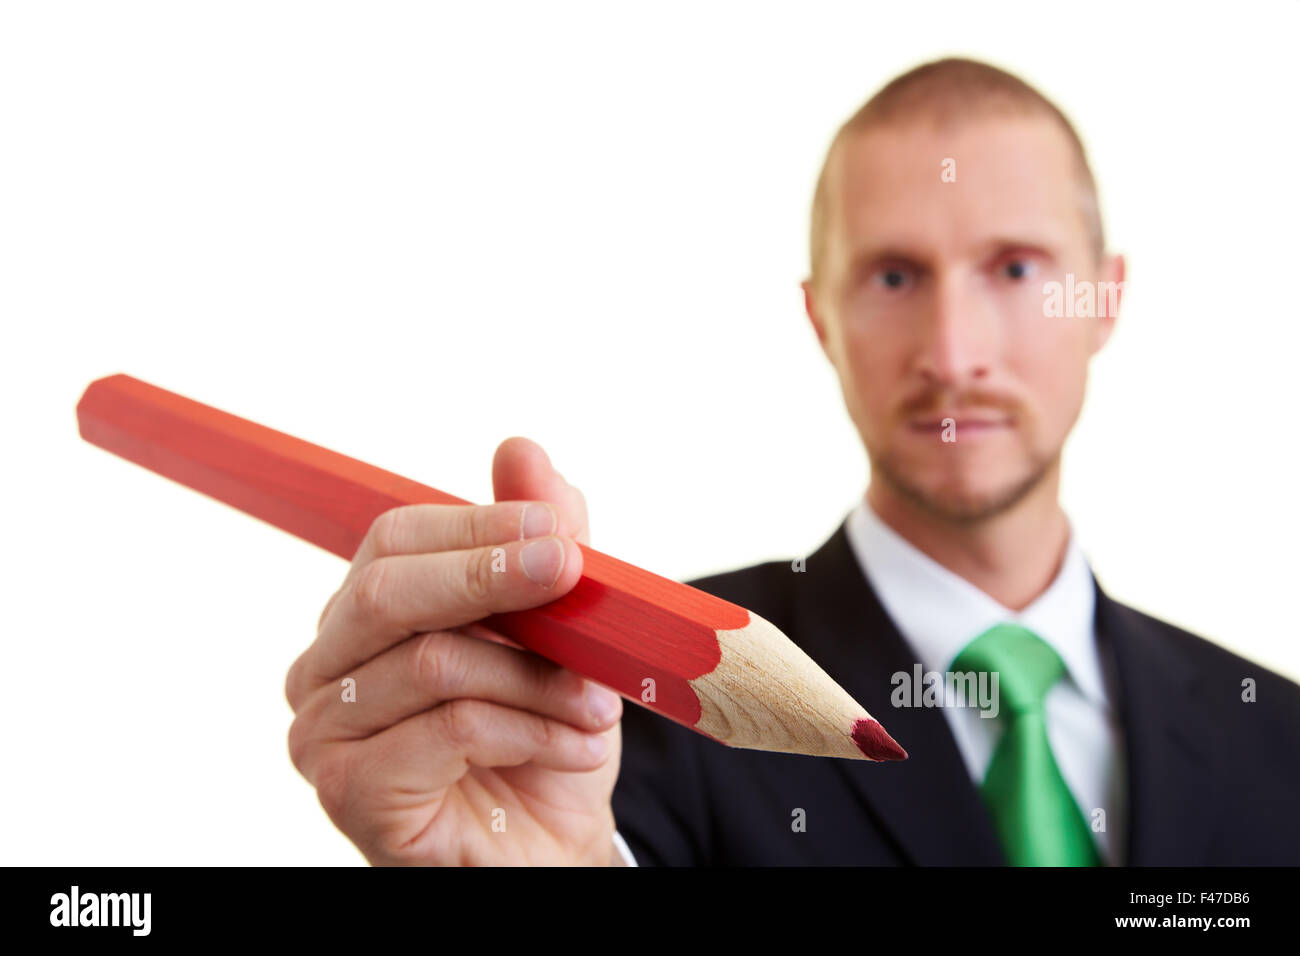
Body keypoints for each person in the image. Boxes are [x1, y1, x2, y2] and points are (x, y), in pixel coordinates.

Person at [284, 57, 1300, 866]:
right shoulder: (611, 716)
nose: (953, 353)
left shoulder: (1280, 738)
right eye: (894, 274)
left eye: (1016, 269)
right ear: (821, 317)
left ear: (1105, 298)